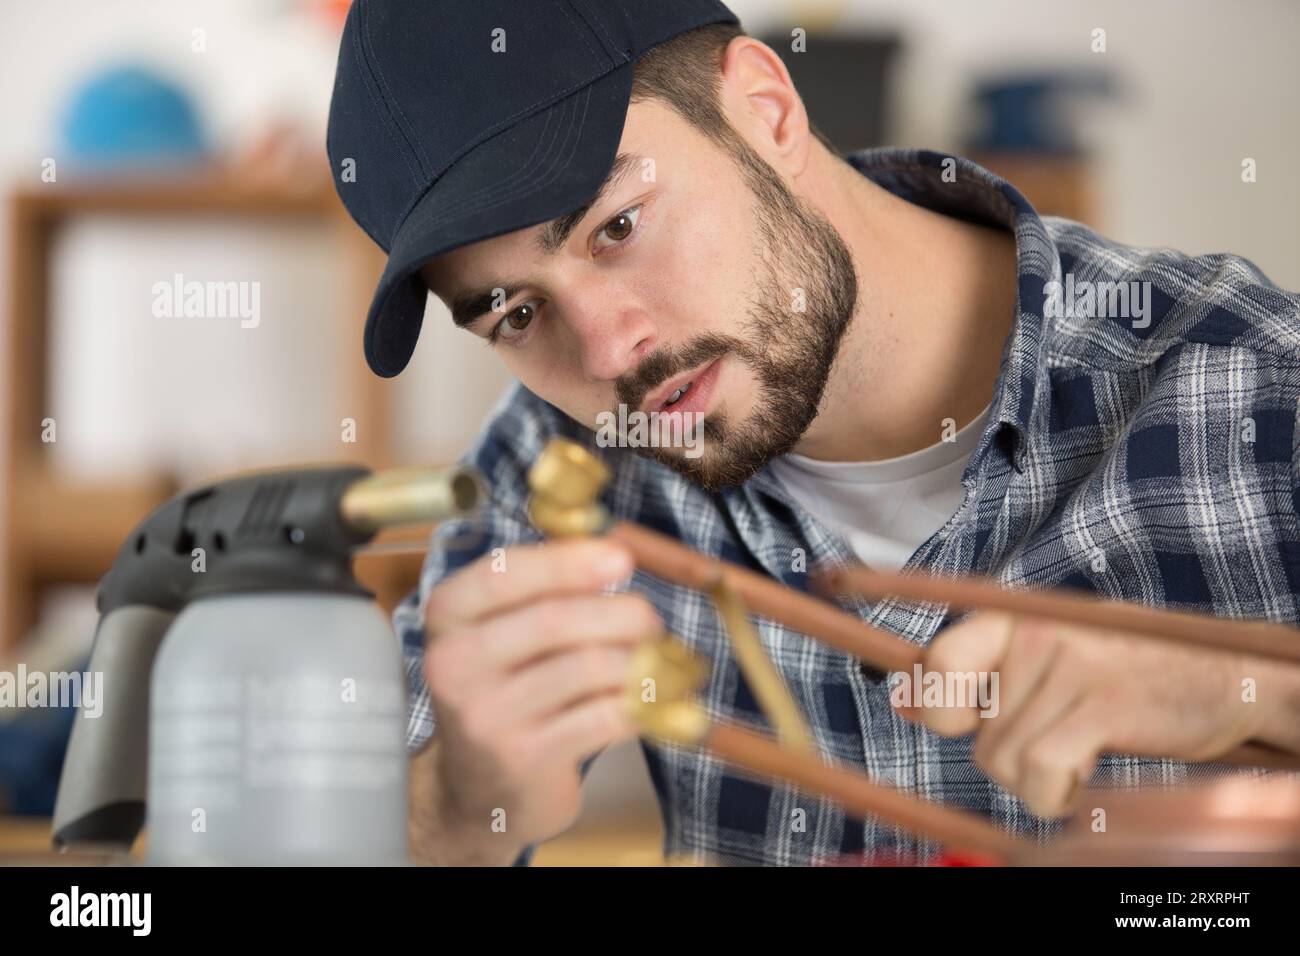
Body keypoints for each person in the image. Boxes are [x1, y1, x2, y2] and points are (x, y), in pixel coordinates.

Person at [325, 0, 1300, 865]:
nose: (612, 350)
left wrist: (1249, 693)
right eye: (518, 315)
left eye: (616, 226)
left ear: (767, 110)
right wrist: (451, 813)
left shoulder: (1256, 387)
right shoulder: (557, 470)